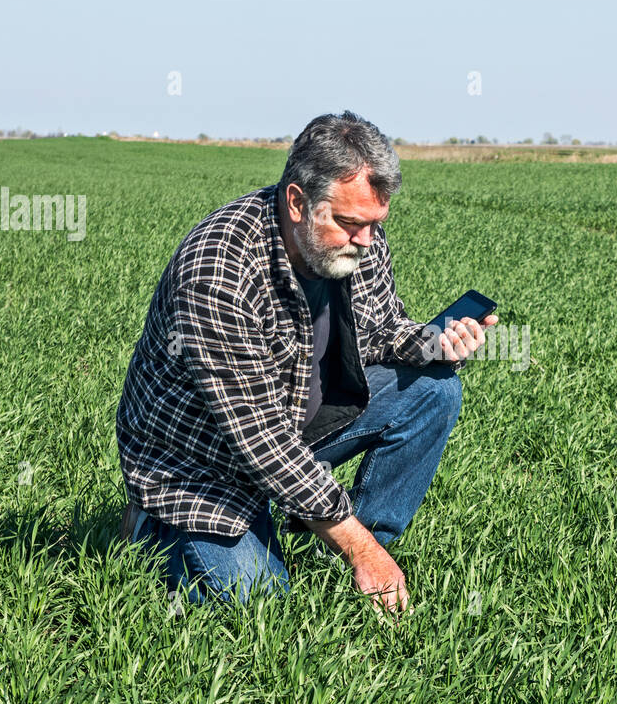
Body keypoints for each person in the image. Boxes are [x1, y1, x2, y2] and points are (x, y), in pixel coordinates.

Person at [115, 110, 496, 617]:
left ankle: (359, 548)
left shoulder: (357, 239)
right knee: (262, 605)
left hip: (297, 420)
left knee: (434, 389)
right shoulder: (218, 273)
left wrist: (435, 344)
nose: (367, 240)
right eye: (349, 223)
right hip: (204, 467)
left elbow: (382, 330)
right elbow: (263, 444)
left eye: (375, 223)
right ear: (296, 202)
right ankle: (153, 528)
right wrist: (358, 549)